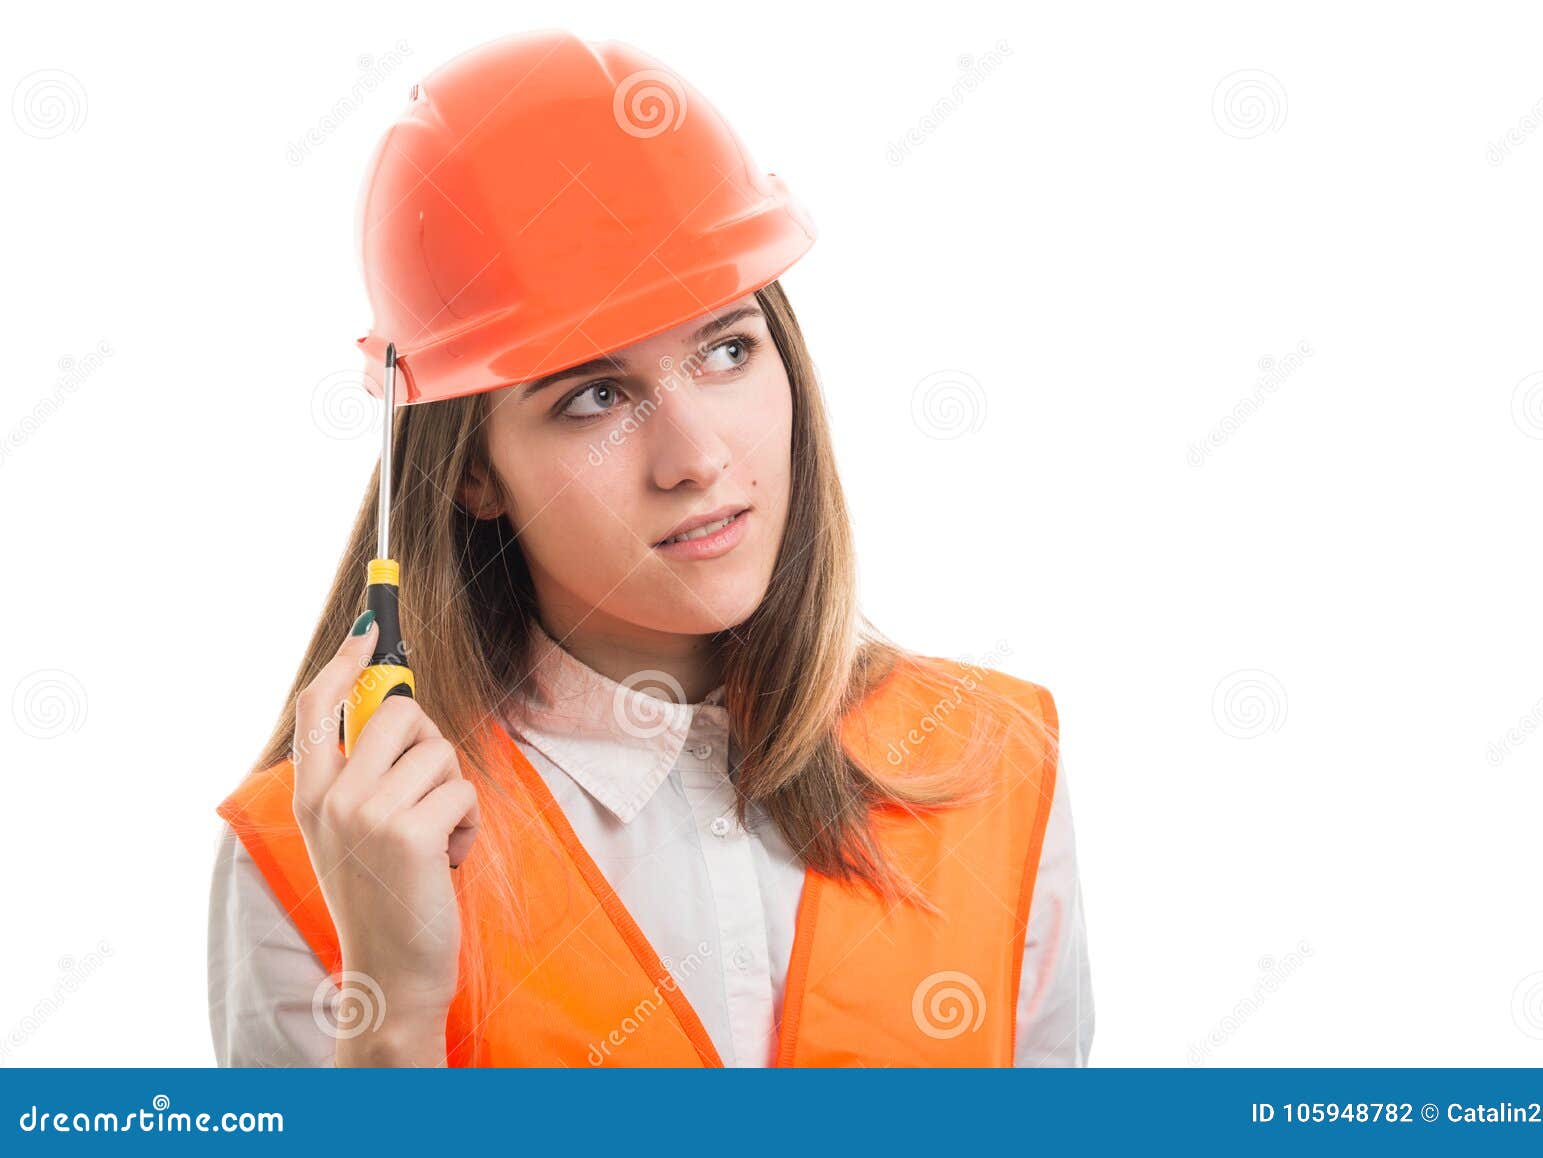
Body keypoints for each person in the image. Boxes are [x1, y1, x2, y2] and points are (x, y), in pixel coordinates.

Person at [208, 28, 1093, 1068]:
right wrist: (394, 1015)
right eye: (594, 396)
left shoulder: (990, 761)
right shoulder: (323, 856)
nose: (696, 457)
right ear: (471, 473)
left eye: (726, 348)